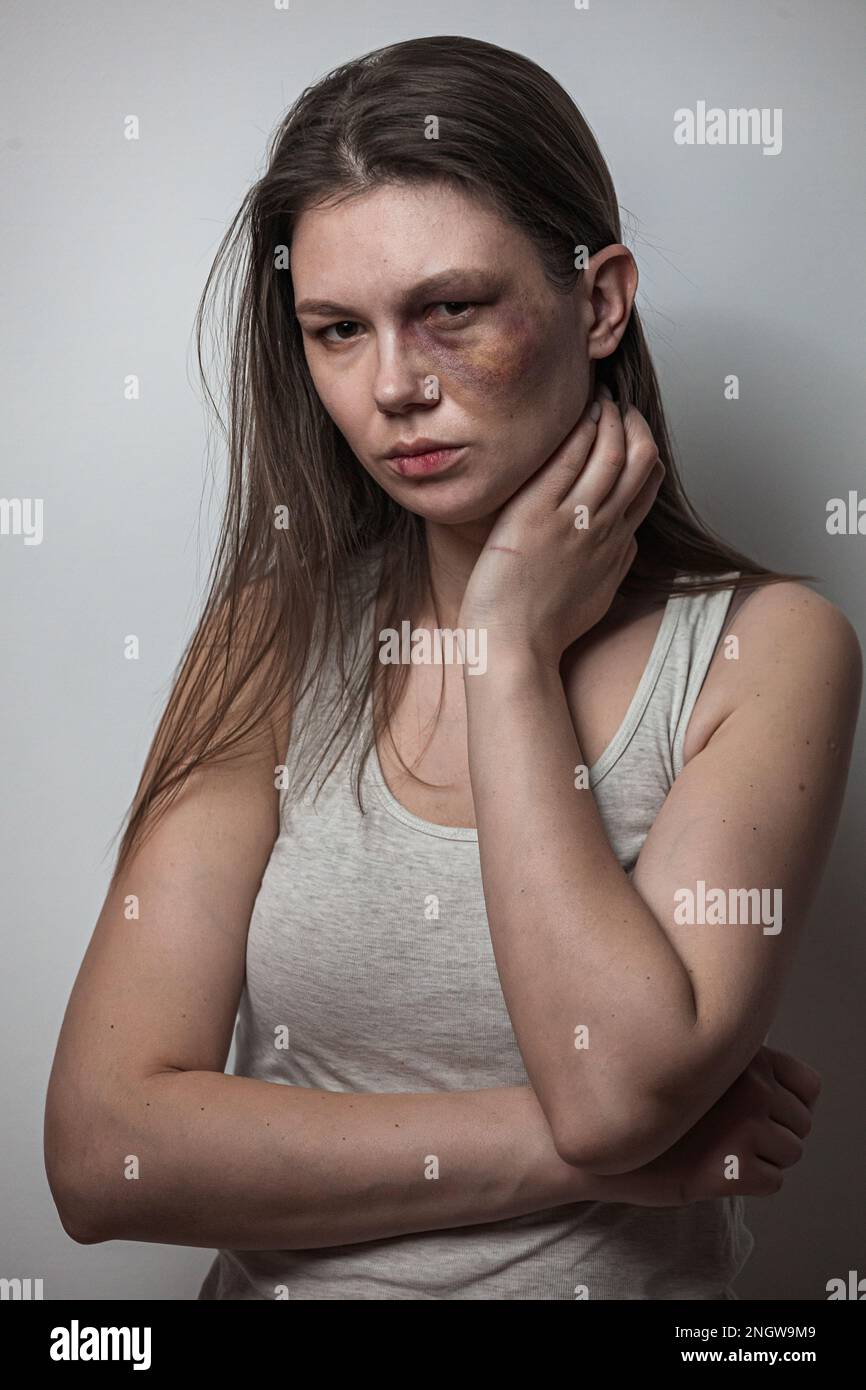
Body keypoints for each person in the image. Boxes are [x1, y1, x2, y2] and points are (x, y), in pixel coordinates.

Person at [45, 36, 860, 1300]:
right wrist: (599, 1155)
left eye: (450, 309)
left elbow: (610, 1089)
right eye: (334, 330)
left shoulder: (765, 649)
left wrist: (506, 649)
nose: (390, 388)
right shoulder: (267, 641)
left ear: (597, 302)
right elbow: (104, 1158)